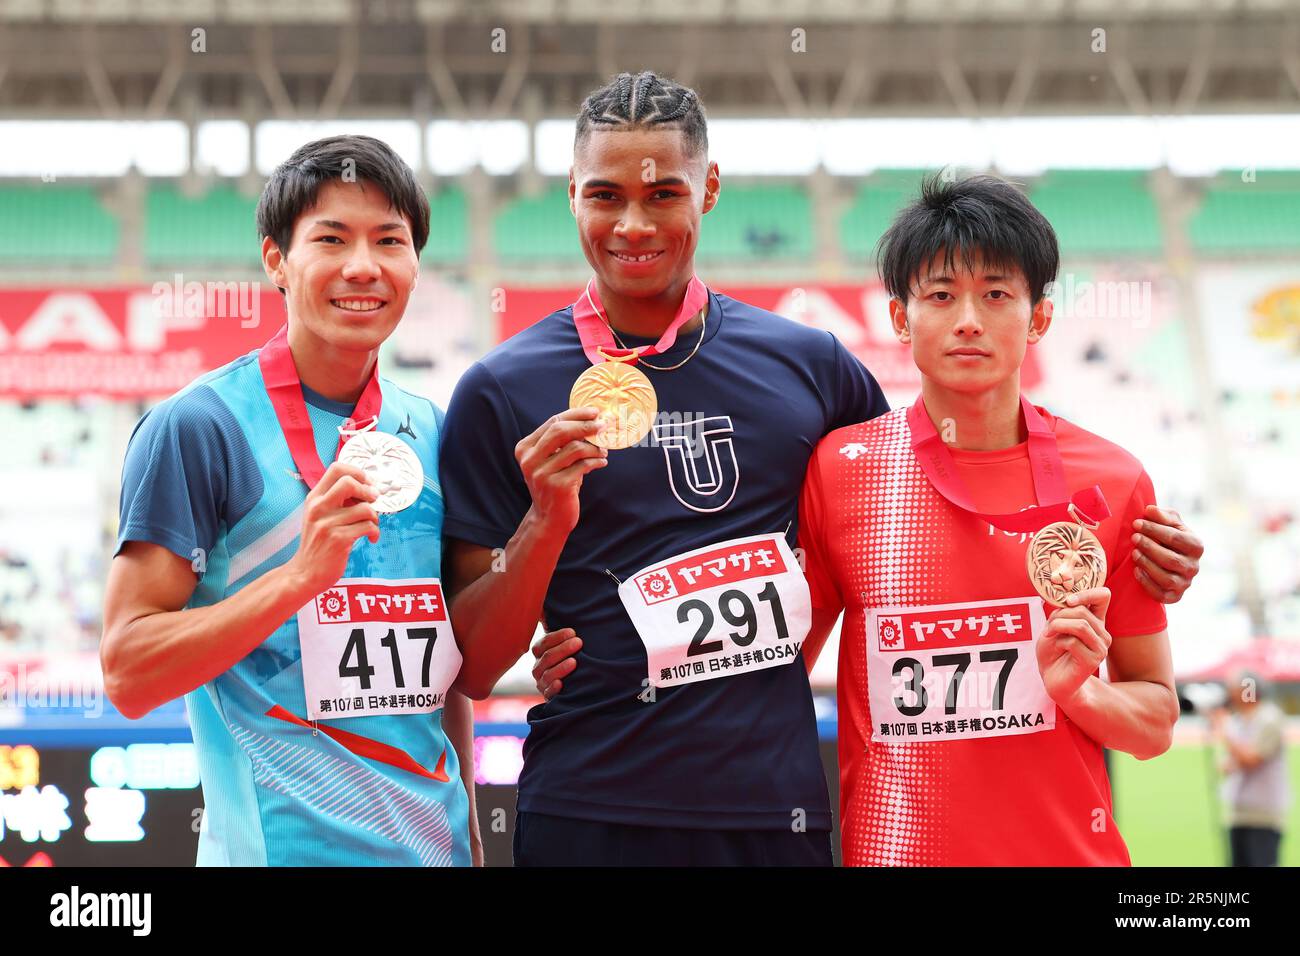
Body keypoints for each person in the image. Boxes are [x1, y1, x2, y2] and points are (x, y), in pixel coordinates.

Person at [449, 74, 1203, 866]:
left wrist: (1140, 550)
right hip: (587, 803)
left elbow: (909, 505)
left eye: (662, 192)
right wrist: (553, 547)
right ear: (570, 194)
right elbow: (475, 661)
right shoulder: (500, 390)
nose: (633, 223)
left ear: (708, 190)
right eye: (604, 195)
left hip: (775, 813)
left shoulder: (812, 369)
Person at [101, 135, 479, 866]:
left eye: (389, 241)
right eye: (331, 239)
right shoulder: (201, 427)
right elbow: (127, 671)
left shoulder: (430, 430)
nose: (363, 266)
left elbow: (443, 673)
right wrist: (297, 580)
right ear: (277, 260)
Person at [795, 173, 1181, 865]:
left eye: (996, 294)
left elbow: (1153, 724)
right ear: (900, 318)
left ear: (1038, 317)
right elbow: (777, 670)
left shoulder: (1114, 481)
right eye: (941, 295)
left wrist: (1078, 693)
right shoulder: (840, 471)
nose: (968, 318)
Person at [1212, 670, 1289, 866]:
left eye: (1233, 688)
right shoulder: (1238, 720)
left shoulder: (1269, 718)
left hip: (1263, 815)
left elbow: (1251, 759)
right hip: (1238, 813)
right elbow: (1230, 764)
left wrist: (1224, 731)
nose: (1228, 694)